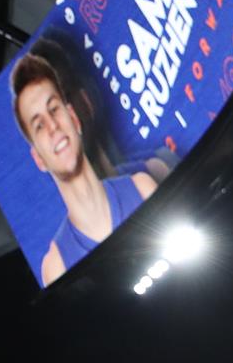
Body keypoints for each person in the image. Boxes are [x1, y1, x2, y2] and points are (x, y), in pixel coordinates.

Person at [10, 53, 158, 286]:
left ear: (74, 119)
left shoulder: (142, 188)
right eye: (39, 125)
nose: (53, 127)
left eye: (54, 110)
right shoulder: (56, 267)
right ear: (38, 158)